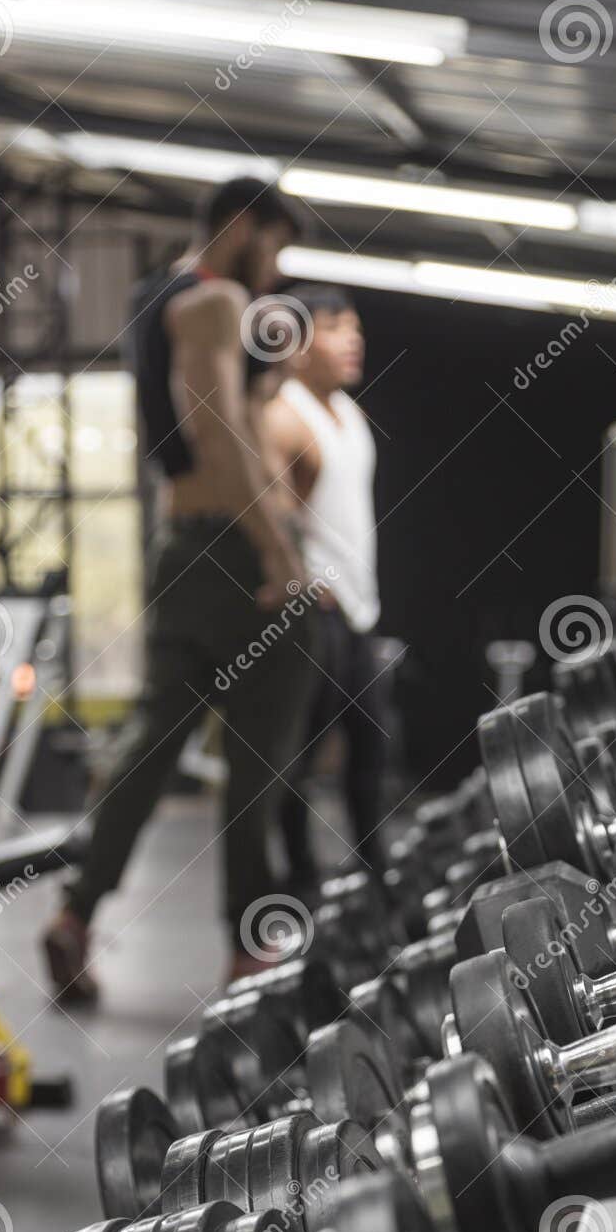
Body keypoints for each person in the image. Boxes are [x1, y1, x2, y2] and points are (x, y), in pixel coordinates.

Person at [42, 176, 314, 1001]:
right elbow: (218, 430)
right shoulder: (213, 301)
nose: (272, 271)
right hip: (232, 553)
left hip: (180, 548)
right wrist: (278, 553)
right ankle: (246, 946)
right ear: (240, 226)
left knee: (156, 742)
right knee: (255, 761)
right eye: (272, 246)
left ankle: (77, 911)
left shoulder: (150, 298)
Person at [265, 285, 386, 890]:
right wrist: (304, 585)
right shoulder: (286, 416)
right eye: (337, 328)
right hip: (315, 612)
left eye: (356, 328)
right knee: (300, 755)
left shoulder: (350, 414)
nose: (353, 340)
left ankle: (374, 870)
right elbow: (270, 515)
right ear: (296, 342)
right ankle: (300, 878)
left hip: (358, 609)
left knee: (372, 740)